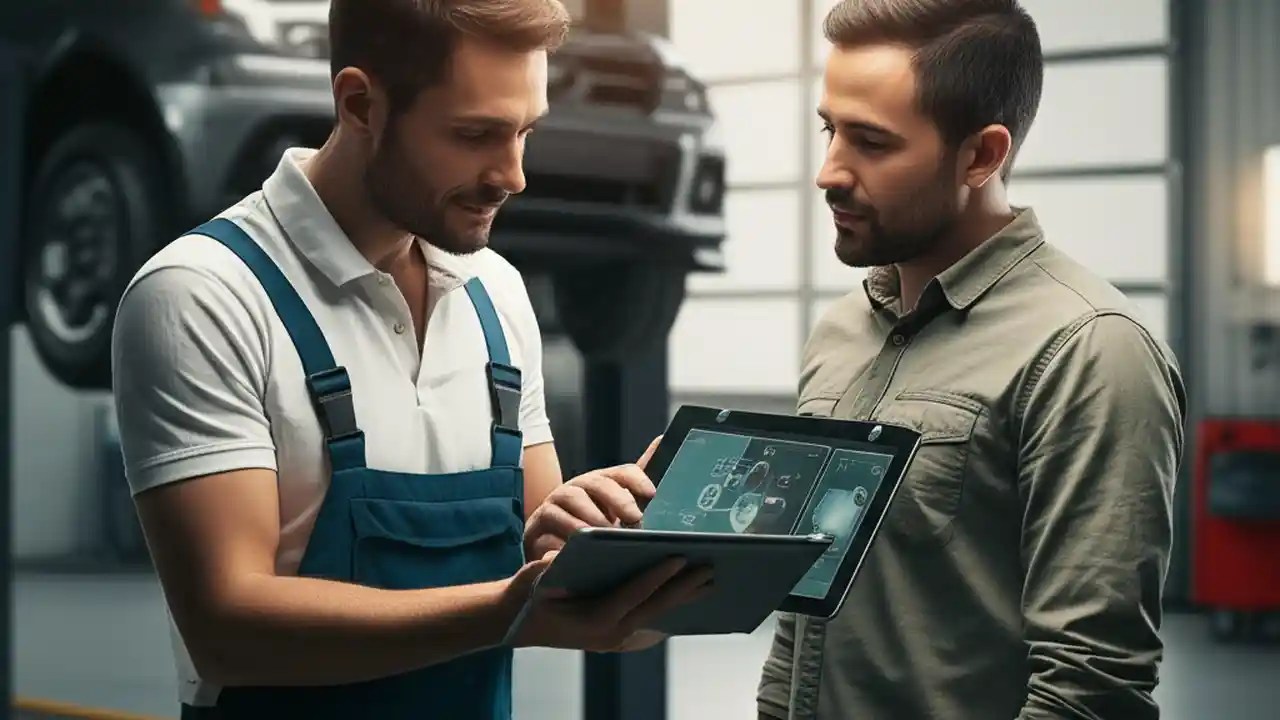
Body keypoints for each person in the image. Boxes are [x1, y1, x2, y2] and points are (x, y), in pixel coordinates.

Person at [110, 1, 709, 718]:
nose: (513, 175)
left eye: (525, 131)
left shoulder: (497, 294)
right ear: (361, 103)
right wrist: (508, 610)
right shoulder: (203, 296)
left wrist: (621, 551)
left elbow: (548, 580)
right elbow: (227, 631)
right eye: (475, 134)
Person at [757, 1, 1186, 719]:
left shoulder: (1091, 350)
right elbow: (803, 623)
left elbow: (1090, 687)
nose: (829, 172)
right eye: (831, 131)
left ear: (983, 155)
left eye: (872, 142)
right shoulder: (840, 332)